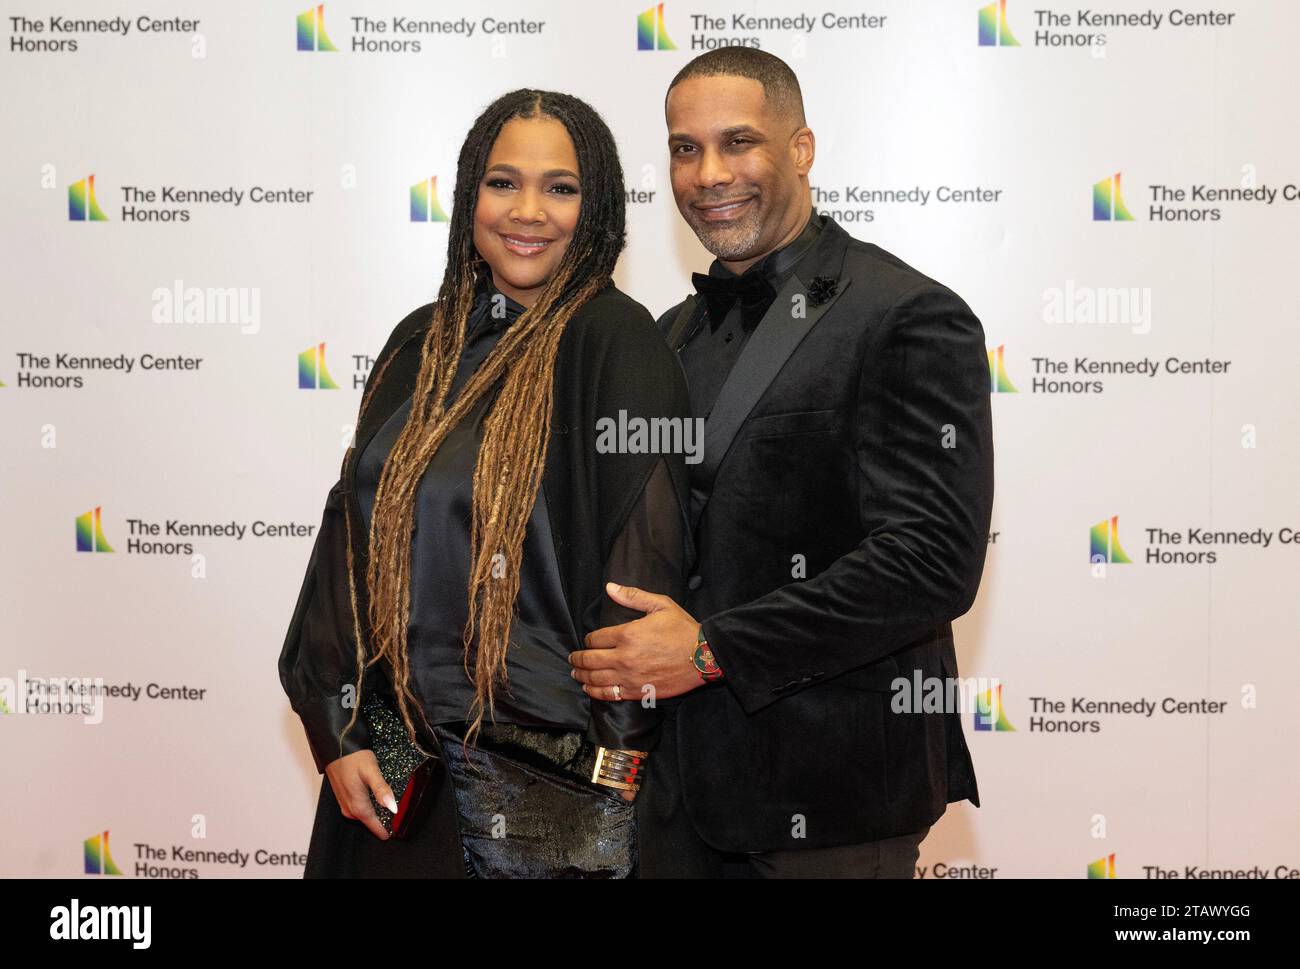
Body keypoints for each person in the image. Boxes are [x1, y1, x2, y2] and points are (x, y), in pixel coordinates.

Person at [568, 48, 995, 878]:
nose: (709, 173)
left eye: (738, 141)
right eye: (685, 149)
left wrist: (710, 649)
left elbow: (932, 562)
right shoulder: (667, 332)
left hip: (831, 799)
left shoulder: (907, 313)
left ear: (800, 148)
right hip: (675, 802)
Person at [278, 88, 692, 878]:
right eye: (503, 183)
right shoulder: (418, 342)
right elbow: (347, 547)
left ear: (596, 203)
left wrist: (598, 804)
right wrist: (341, 732)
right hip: (395, 775)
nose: (528, 210)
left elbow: (636, 592)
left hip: (542, 795)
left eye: (560, 187)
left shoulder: (616, 344)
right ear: (470, 195)